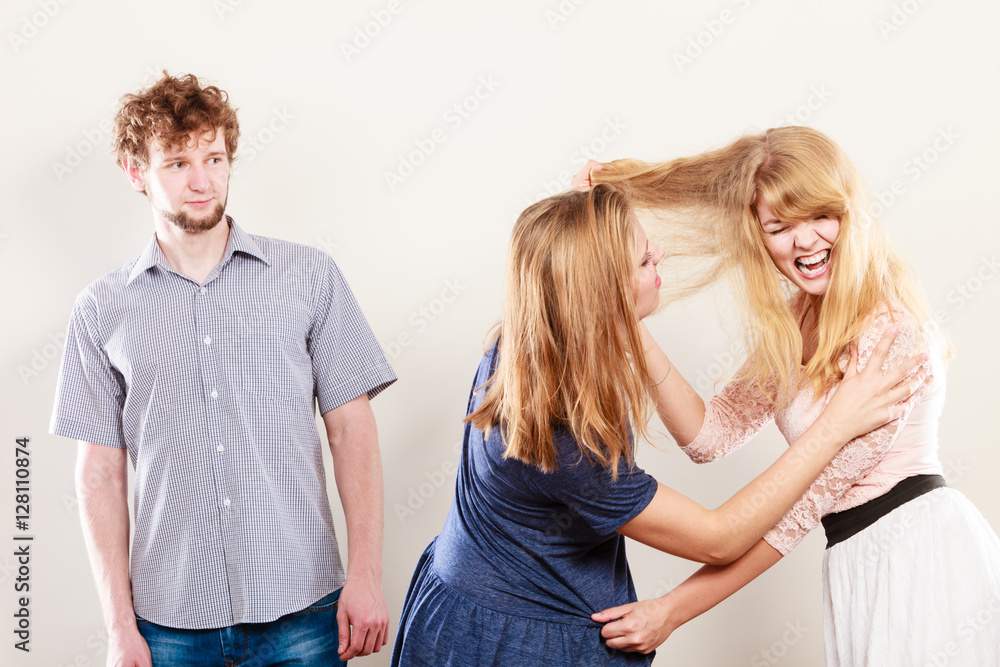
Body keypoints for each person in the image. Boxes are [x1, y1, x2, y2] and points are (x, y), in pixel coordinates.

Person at [390, 184, 925, 666]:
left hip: (458, 602)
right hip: (511, 643)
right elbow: (719, 538)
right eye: (646, 260)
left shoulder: (530, 342)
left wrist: (608, 208)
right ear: (608, 296)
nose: (660, 257)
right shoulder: (562, 435)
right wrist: (834, 425)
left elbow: (708, 432)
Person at [576, 126, 1000, 665]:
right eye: (779, 226)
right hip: (857, 560)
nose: (804, 242)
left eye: (821, 216)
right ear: (759, 235)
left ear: (850, 212)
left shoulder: (893, 334)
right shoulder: (796, 319)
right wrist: (630, 326)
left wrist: (673, 611)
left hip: (921, 557)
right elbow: (710, 435)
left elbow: (801, 507)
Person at [50, 72, 397, 667]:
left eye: (214, 157)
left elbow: (352, 431)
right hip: (168, 625)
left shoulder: (309, 277)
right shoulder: (99, 309)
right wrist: (117, 626)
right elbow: (99, 477)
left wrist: (365, 577)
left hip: (304, 613)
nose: (202, 180)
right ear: (137, 174)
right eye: (177, 163)